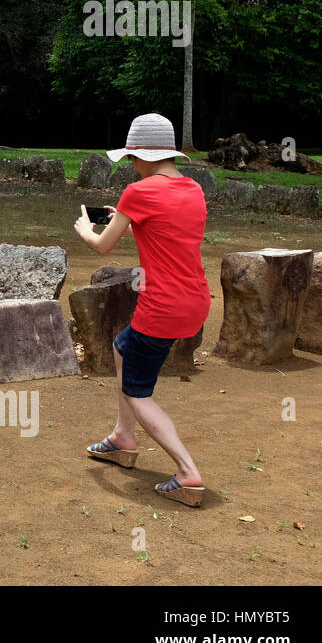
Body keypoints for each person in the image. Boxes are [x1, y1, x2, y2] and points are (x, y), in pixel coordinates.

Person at [73, 113, 211, 507]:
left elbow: (102, 247)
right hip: (195, 300)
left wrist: (87, 229)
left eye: (132, 156)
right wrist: (126, 218)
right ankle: (122, 438)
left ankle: (187, 473)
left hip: (161, 306)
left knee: (138, 391)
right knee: (122, 348)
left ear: (146, 156)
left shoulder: (137, 192)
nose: (131, 163)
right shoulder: (193, 190)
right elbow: (164, 230)